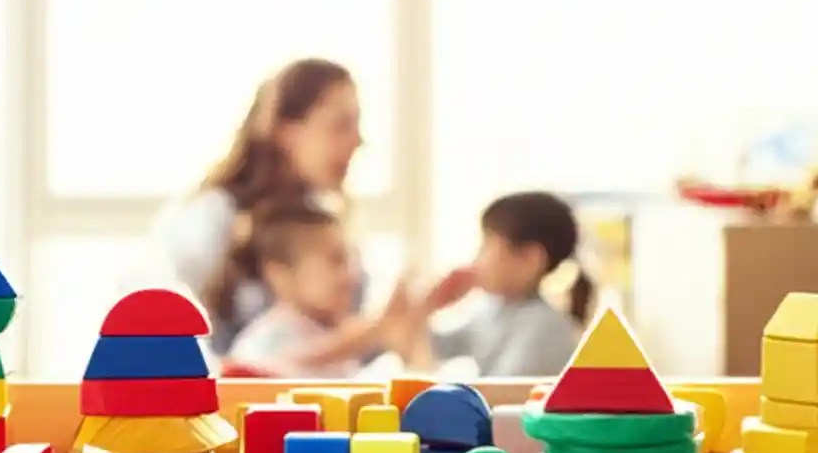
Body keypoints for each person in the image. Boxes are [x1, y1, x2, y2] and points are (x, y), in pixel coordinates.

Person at [147, 58, 367, 356]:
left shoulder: (323, 226)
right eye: (340, 126)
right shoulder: (209, 220)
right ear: (285, 131)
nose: (358, 141)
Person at [395, 191, 594, 377]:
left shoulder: (546, 329)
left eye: (485, 246)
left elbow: (496, 397)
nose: (476, 260)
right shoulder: (492, 311)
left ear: (530, 261)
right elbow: (431, 348)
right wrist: (425, 307)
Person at [224, 204, 400, 378]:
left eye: (349, 260)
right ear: (280, 274)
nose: (351, 274)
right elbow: (304, 358)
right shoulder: (264, 340)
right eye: (335, 260)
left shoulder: (334, 330)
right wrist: (374, 331)